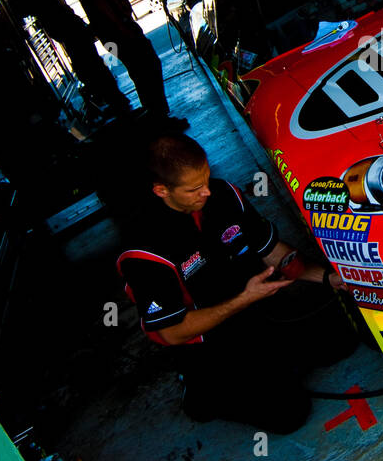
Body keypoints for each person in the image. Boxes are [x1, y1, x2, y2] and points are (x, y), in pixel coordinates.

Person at [116, 134, 359, 433]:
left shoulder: (224, 194)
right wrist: (245, 298)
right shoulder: (144, 251)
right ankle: (201, 392)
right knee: (290, 414)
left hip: (257, 309)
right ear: (161, 190)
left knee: (343, 339)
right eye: (194, 188)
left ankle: (276, 367)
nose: (206, 192)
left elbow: (271, 251)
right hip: (213, 341)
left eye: (206, 178)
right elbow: (172, 333)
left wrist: (326, 277)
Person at [60, 0, 180, 124]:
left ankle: (159, 117)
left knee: (146, 70)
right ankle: (159, 120)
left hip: (118, 31)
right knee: (145, 70)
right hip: (119, 32)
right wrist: (123, 28)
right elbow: (101, 4)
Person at [2, 0, 131, 118]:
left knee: (91, 71)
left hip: (73, 36)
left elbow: (20, 10)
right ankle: (117, 102)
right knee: (94, 69)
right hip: (75, 33)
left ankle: (118, 104)